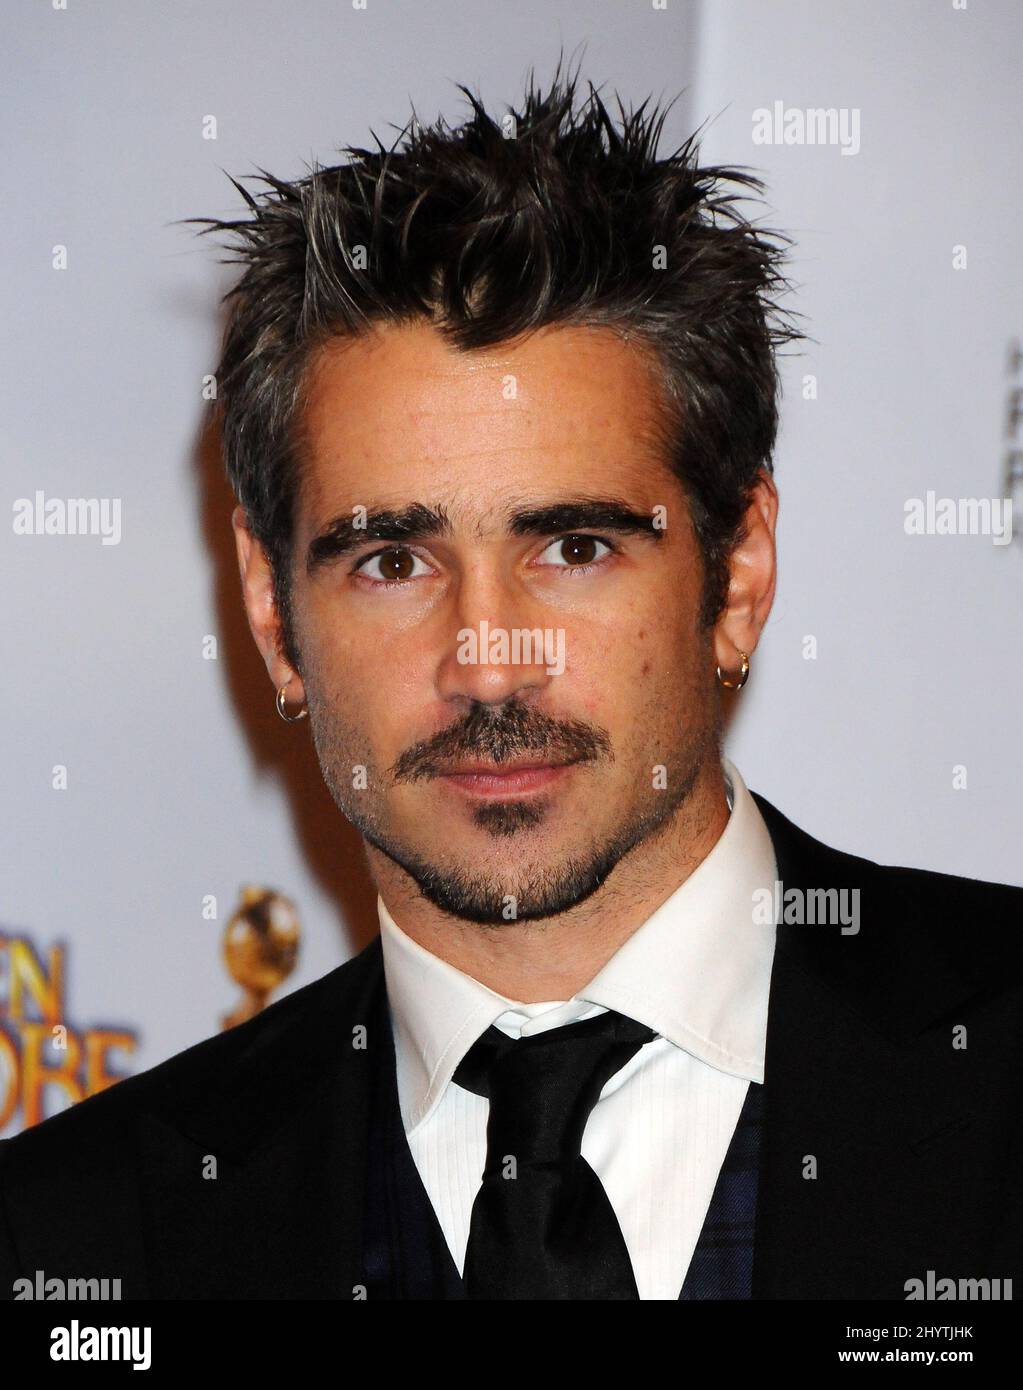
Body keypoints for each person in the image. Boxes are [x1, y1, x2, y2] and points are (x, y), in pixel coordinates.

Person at [2, 66, 1020, 1302]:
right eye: (391, 560)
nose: (486, 659)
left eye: (575, 548)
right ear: (274, 614)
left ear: (738, 573)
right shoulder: (83, 1241)